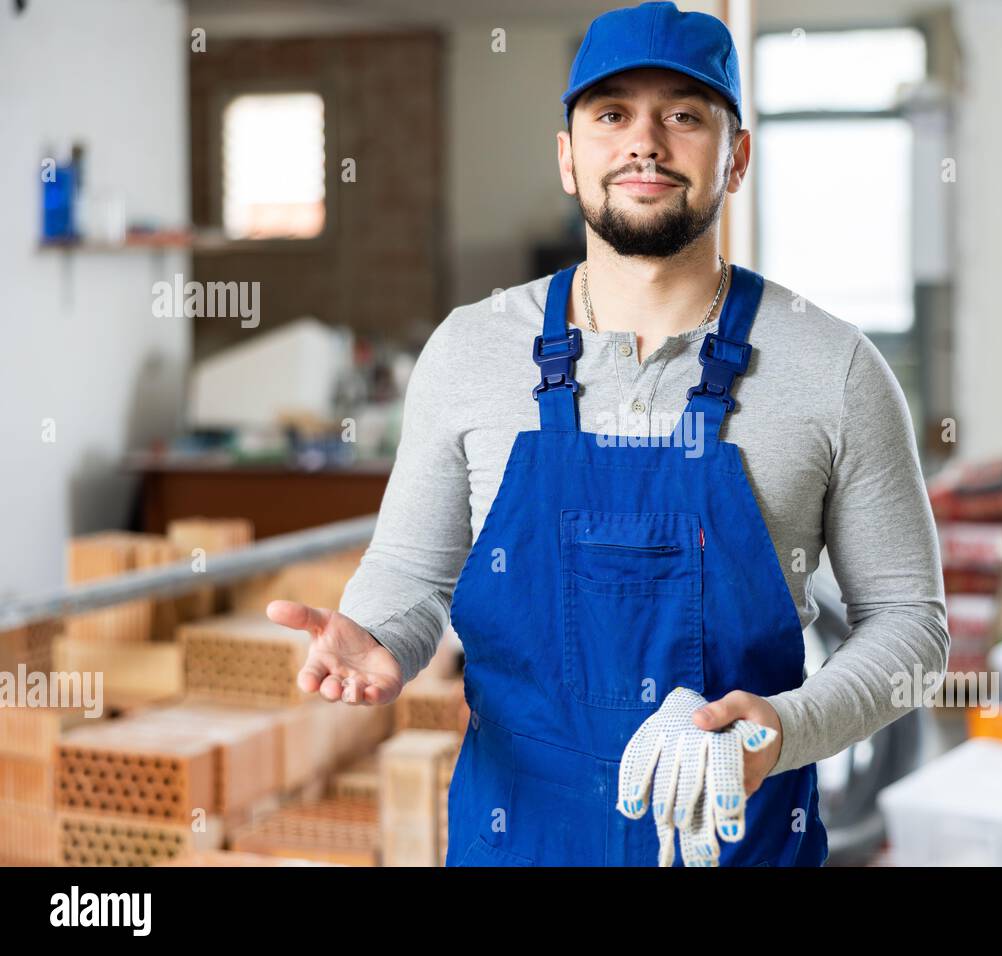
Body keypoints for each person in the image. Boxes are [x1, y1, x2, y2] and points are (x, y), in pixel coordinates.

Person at [267, 0, 948, 867]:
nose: (647, 142)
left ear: (736, 158)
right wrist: (379, 634)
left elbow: (911, 629)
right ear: (568, 156)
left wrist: (782, 730)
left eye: (685, 115)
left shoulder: (835, 369)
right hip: (519, 840)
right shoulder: (471, 352)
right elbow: (411, 570)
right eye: (612, 113)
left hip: (734, 841)